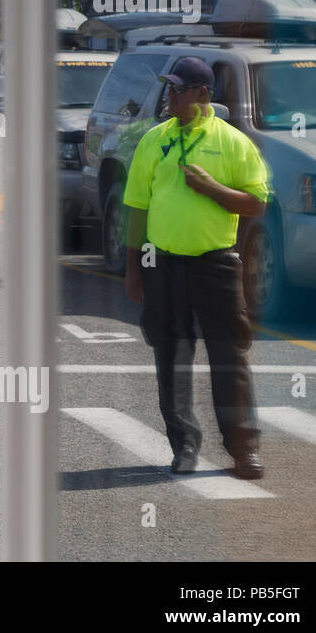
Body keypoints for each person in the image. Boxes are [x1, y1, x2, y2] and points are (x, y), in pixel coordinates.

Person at [122, 56, 270, 480]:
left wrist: (211, 188)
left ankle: (244, 450)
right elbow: (136, 207)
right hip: (163, 265)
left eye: (177, 88)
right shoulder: (154, 140)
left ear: (202, 95)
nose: (169, 96)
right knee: (171, 357)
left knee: (230, 359)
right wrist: (134, 269)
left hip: (216, 265)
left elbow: (256, 202)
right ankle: (184, 445)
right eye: (168, 88)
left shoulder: (233, 142)